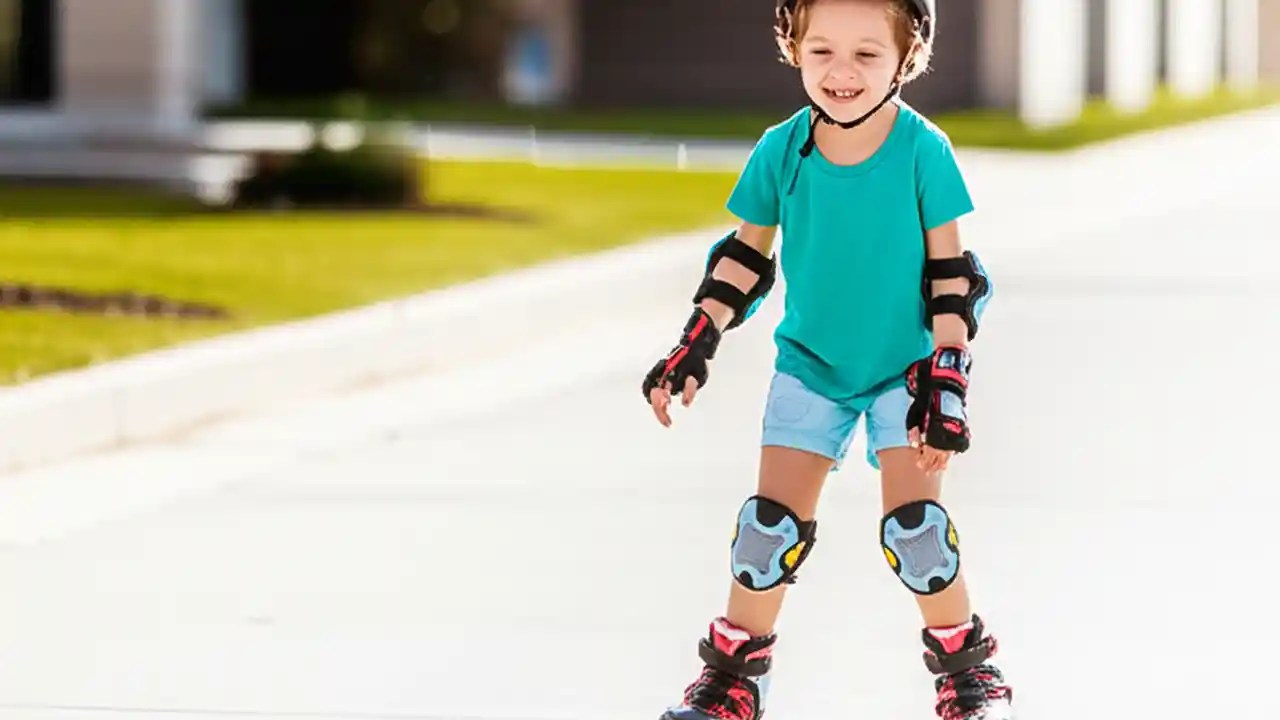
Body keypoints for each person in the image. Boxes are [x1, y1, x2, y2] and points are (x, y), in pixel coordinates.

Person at [641, 1, 1014, 719]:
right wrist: (697, 340)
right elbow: (745, 260)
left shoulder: (922, 149)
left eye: (867, 55)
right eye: (822, 52)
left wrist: (947, 381)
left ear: (908, 57)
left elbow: (951, 276)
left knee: (919, 538)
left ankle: (968, 673)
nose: (842, 72)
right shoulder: (783, 149)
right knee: (766, 533)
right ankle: (734, 682)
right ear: (793, 47)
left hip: (905, 373)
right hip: (811, 365)